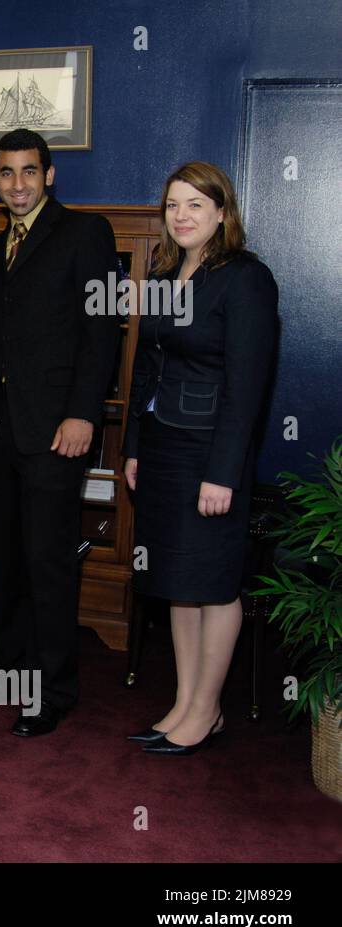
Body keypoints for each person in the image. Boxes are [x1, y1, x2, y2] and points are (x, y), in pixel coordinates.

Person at [123, 162, 278, 755]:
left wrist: (223, 471)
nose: (182, 216)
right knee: (176, 582)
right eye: (172, 206)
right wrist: (134, 446)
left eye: (195, 204)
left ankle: (207, 709)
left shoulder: (245, 279)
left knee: (213, 584)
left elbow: (247, 387)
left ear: (221, 212)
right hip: (161, 448)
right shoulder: (166, 271)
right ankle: (186, 704)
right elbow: (145, 367)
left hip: (211, 453)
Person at [0, 128, 119, 737]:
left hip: (59, 428)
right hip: (0, 429)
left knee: (49, 559)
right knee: (4, 555)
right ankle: (13, 669)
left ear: (49, 175)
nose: (18, 184)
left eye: (29, 171)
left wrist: (85, 412)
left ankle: (52, 689)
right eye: (6, 173)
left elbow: (102, 330)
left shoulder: (86, 234)